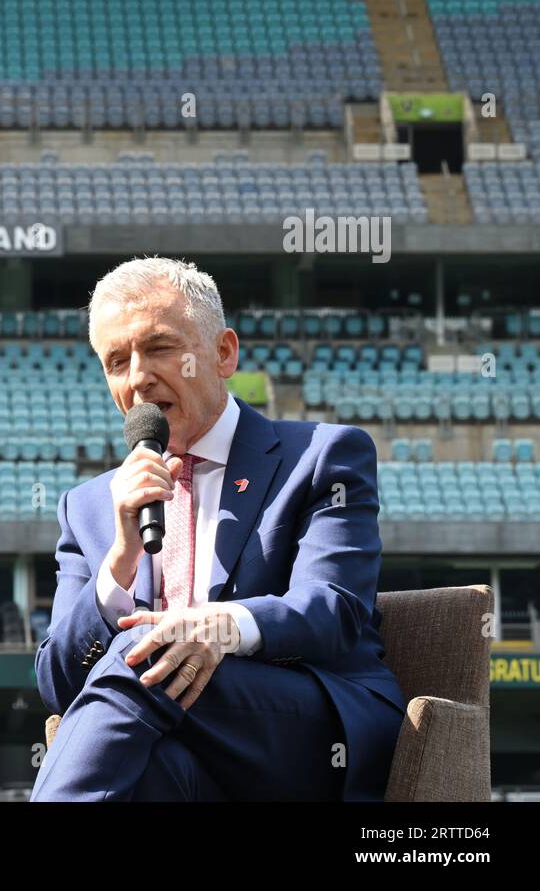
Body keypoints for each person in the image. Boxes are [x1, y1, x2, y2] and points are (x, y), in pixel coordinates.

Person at [30, 256, 405, 801]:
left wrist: (215, 628)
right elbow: (57, 683)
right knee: (152, 768)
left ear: (224, 352)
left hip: (305, 730)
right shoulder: (88, 507)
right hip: (174, 750)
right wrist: (120, 561)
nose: (137, 377)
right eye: (116, 361)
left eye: (159, 348)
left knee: (149, 649)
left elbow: (336, 608)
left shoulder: (323, 455)